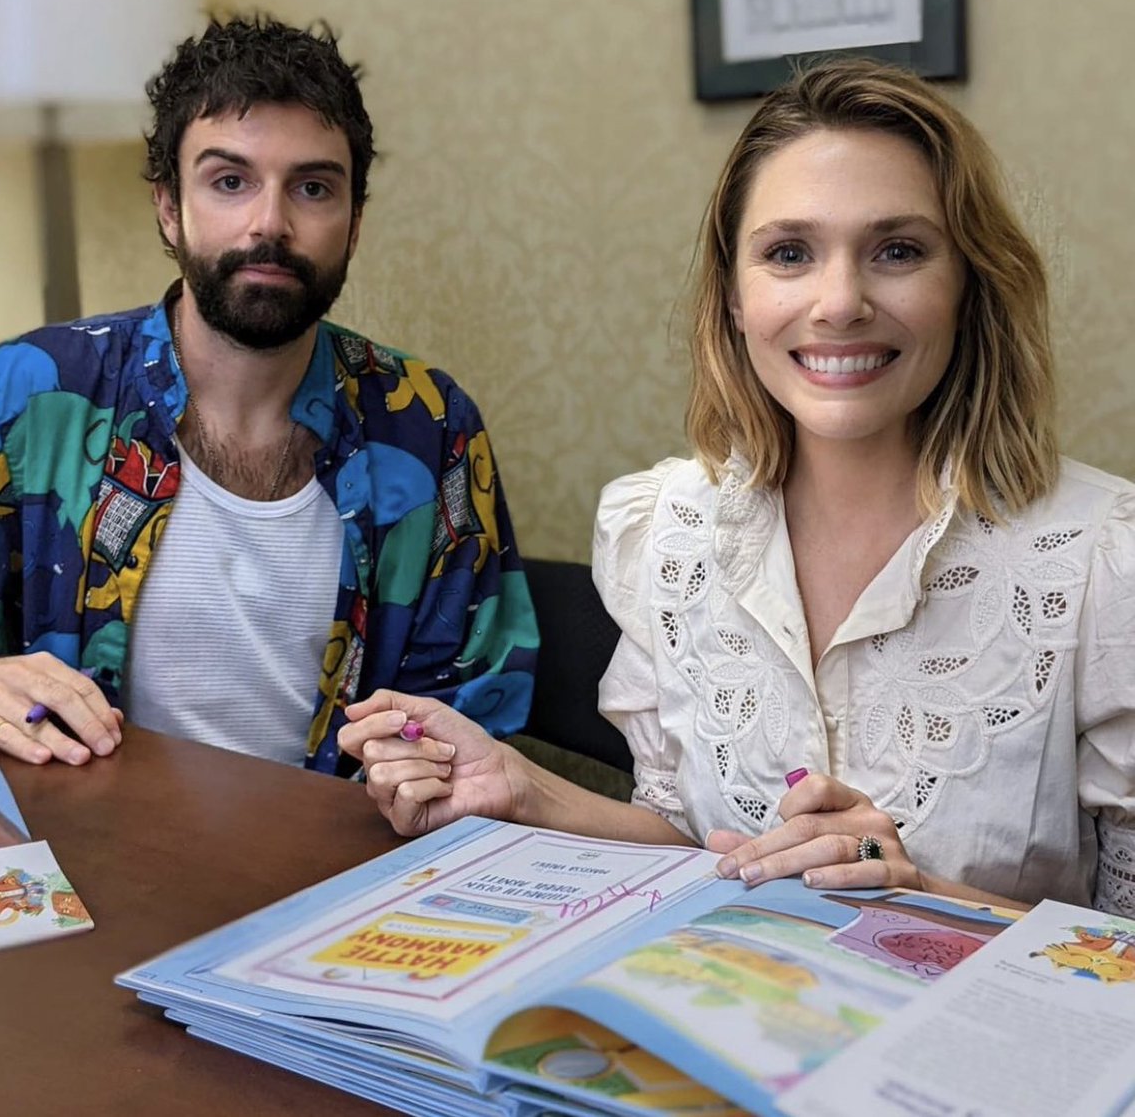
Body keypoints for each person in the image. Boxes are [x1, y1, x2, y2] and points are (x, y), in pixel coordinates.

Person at [340, 59, 1135, 919]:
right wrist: (521, 787)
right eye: (789, 253)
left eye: (897, 250)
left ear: (968, 284)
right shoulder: (667, 530)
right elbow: (694, 847)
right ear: (732, 296)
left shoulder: (1105, 561)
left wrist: (926, 897)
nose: (839, 302)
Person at [0, 16, 537, 774]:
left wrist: (427, 768)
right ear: (167, 205)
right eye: (229, 181)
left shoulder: (431, 424)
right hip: (73, 872)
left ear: (353, 223)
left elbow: (481, 712)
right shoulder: (15, 399)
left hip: (347, 873)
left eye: (313, 187)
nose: (270, 224)